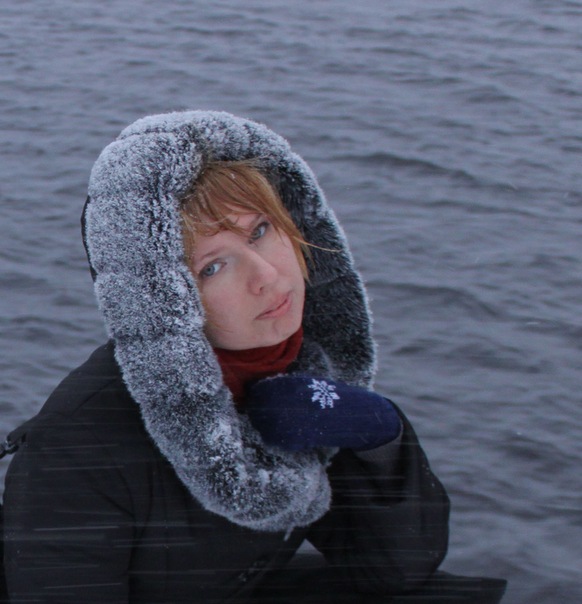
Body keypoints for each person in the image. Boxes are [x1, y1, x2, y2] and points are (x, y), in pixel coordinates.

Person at [2, 111, 506, 603]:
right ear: (163, 298)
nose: (266, 275)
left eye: (260, 230)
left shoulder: (301, 376)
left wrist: (381, 439)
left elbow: (395, 570)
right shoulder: (80, 445)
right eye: (213, 266)